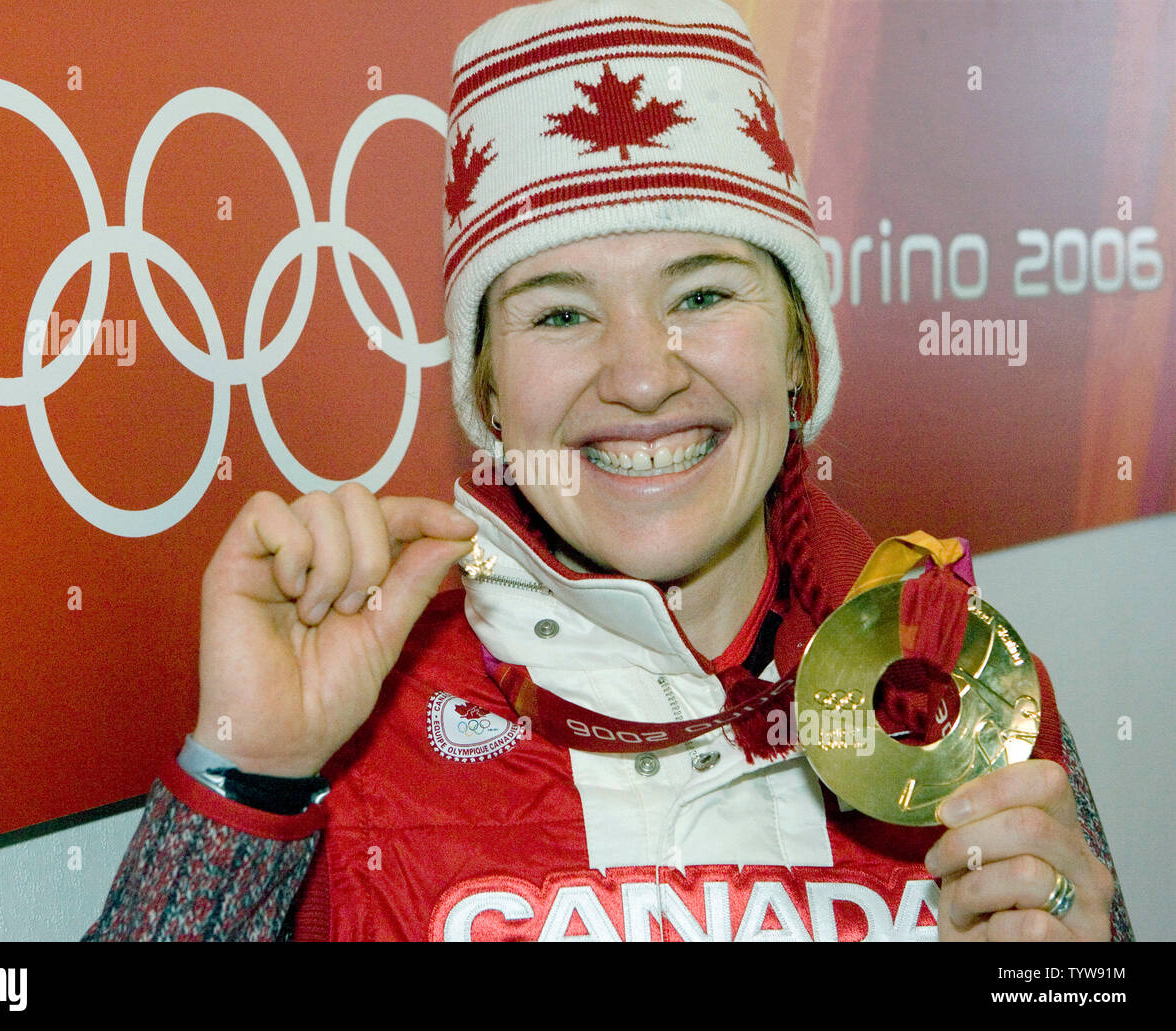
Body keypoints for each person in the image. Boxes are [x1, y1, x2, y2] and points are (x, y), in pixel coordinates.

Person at [85, 0, 1131, 942]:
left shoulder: (952, 673)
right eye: (561, 312)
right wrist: (246, 769)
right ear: (488, 388)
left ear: (801, 348)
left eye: (703, 294)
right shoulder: (360, 706)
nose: (639, 375)